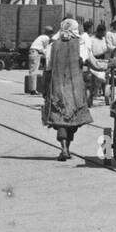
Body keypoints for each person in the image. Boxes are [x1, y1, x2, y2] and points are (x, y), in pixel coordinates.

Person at [43, 18, 92, 160]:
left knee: (59, 117)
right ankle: (66, 148)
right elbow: (86, 61)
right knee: (72, 118)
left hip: (57, 84)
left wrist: (45, 88)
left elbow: (47, 68)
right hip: (75, 86)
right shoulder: (81, 43)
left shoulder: (53, 44)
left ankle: (64, 148)